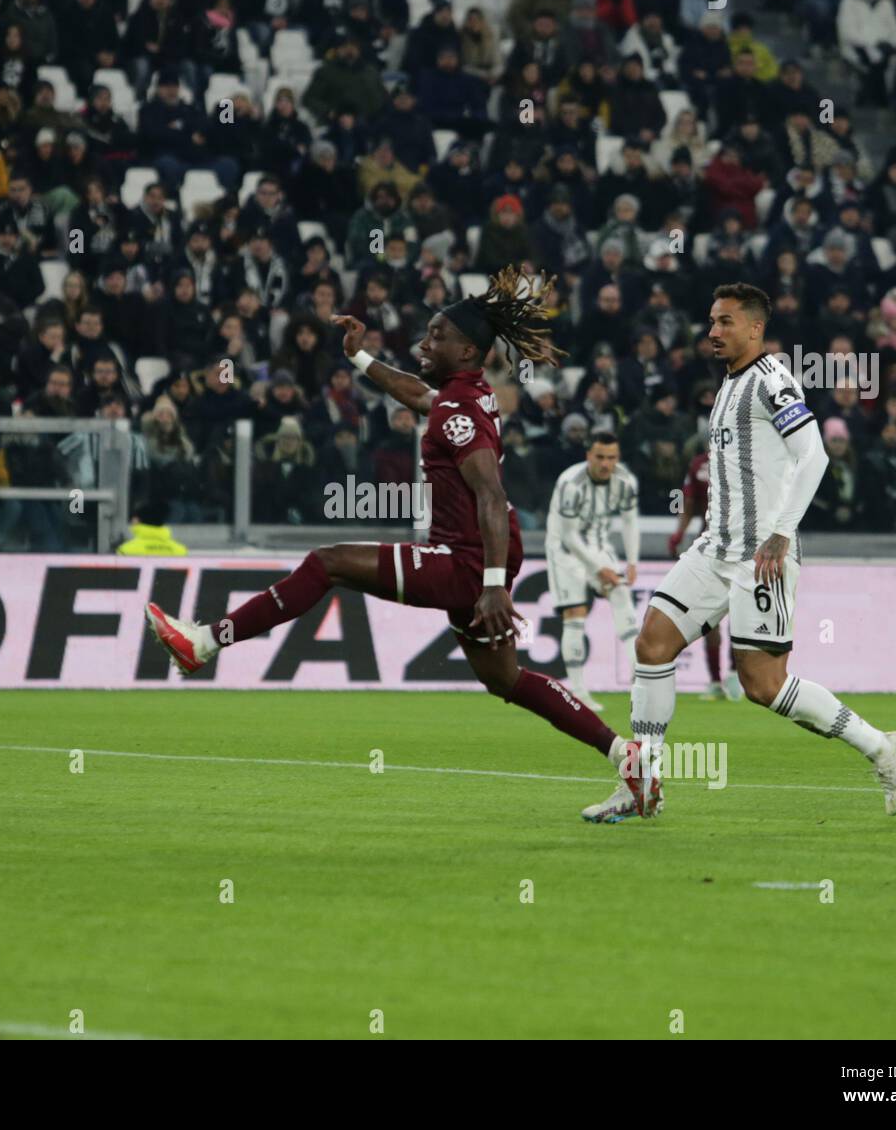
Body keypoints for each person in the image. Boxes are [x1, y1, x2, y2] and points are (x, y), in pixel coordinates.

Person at [146, 268, 635, 814]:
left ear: (468, 348)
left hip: (467, 557)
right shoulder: (468, 393)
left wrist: (492, 585)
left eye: (437, 337)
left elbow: (491, 496)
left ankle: (205, 642)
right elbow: (418, 394)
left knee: (327, 563)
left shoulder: (458, 409)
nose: (425, 343)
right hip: (480, 552)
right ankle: (627, 758)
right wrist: (359, 357)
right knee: (507, 680)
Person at [624, 283, 896, 820]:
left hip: (762, 553)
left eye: (726, 321)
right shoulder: (728, 386)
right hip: (715, 547)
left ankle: (880, 746)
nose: (713, 331)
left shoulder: (770, 379)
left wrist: (781, 531)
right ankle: (644, 779)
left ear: (755, 328)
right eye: (711, 321)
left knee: (764, 686)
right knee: (653, 643)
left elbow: (815, 455)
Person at [543, 431, 640, 720]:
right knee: (575, 614)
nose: (605, 464)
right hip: (564, 550)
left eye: (611, 458)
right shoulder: (570, 483)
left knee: (621, 592)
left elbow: (630, 522)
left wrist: (632, 562)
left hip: (598, 545)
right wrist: (601, 570)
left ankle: (641, 678)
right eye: (600, 457)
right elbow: (570, 537)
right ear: (588, 456)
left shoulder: (626, 481)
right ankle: (579, 691)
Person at [666, 449, 742, 702]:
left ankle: (731, 674)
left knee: (734, 611)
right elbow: (686, 502)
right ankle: (719, 679)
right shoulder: (700, 464)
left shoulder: (740, 457)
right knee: (714, 615)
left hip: (743, 544)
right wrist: (679, 533)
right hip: (716, 544)